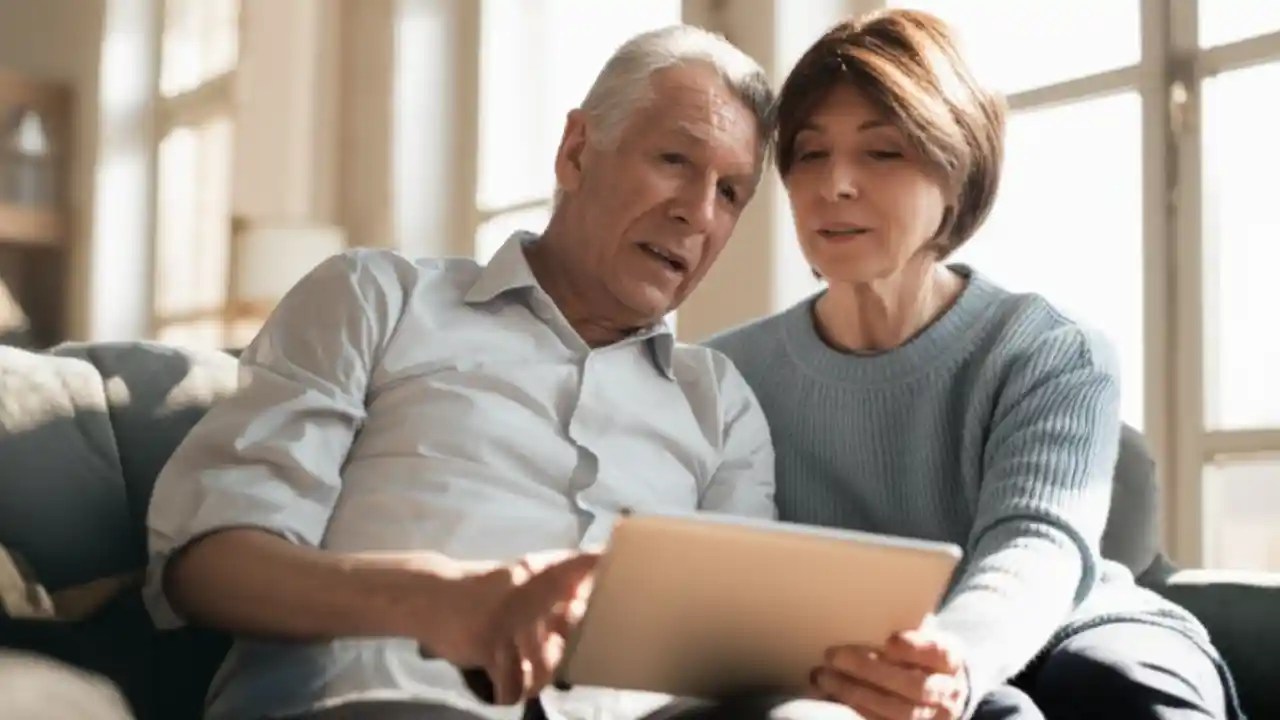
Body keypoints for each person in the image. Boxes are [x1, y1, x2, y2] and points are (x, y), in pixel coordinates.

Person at [145, 25, 779, 720]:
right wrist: (441, 600)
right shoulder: (376, 299)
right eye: (673, 160)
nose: (697, 211)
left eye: (731, 193)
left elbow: (740, 644)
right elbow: (210, 564)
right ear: (575, 152)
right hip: (381, 701)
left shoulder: (721, 403)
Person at [706, 9, 1242, 720]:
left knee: (1115, 687)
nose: (835, 183)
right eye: (809, 153)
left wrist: (952, 664)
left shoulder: (1052, 350)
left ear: (956, 175)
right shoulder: (723, 372)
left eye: (882, 152)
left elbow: (1035, 545)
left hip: (1068, 626)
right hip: (855, 660)